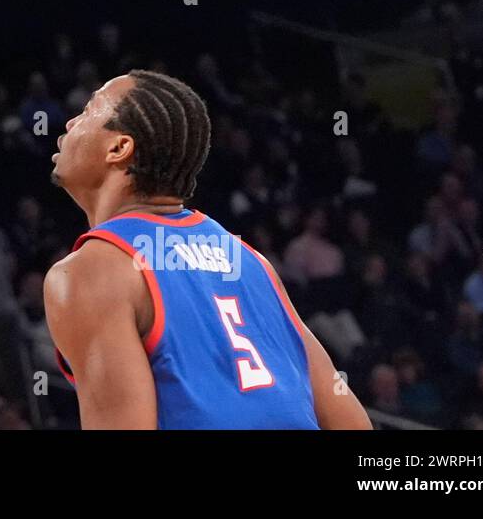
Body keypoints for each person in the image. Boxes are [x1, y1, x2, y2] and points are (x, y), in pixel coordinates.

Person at [43, 70, 372, 429]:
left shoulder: (90, 271)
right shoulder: (250, 261)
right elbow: (353, 424)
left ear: (119, 148)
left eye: (89, 110)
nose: (72, 120)